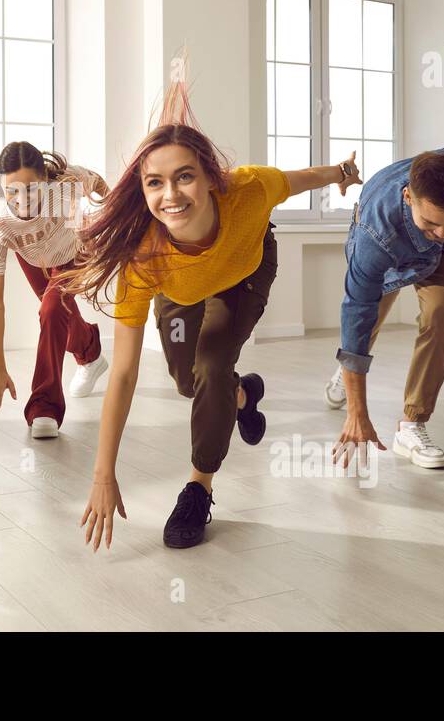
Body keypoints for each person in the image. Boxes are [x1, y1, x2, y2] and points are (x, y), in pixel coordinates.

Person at [62, 75, 361, 550]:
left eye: (184, 176)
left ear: (208, 176)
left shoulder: (249, 189)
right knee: (190, 381)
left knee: (212, 365)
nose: (171, 195)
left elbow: (304, 178)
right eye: (154, 183)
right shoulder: (142, 258)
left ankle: (198, 488)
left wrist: (342, 173)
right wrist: (102, 474)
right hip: (180, 290)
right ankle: (241, 396)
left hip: (243, 274)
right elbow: (121, 374)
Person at [324, 148, 444, 471]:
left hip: (443, 255)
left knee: (441, 317)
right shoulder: (374, 238)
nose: (442, 232)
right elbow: (355, 314)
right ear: (408, 196)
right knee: (368, 320)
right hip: (392, 238)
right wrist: (357, 413)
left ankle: (411, 425)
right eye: (432, 222)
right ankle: (345, 374)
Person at [0, 142, 110, 439]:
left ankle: (45, 406)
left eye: (31, 188)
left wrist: (114, 211)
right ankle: (90, 350)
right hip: (34, 258)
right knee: (58, 316)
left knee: (51, 310)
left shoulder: (66, 185)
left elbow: (99, 184)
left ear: (46, 181)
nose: (22, 199)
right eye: (11, 190)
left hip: (74, 251)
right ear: (0, 186)